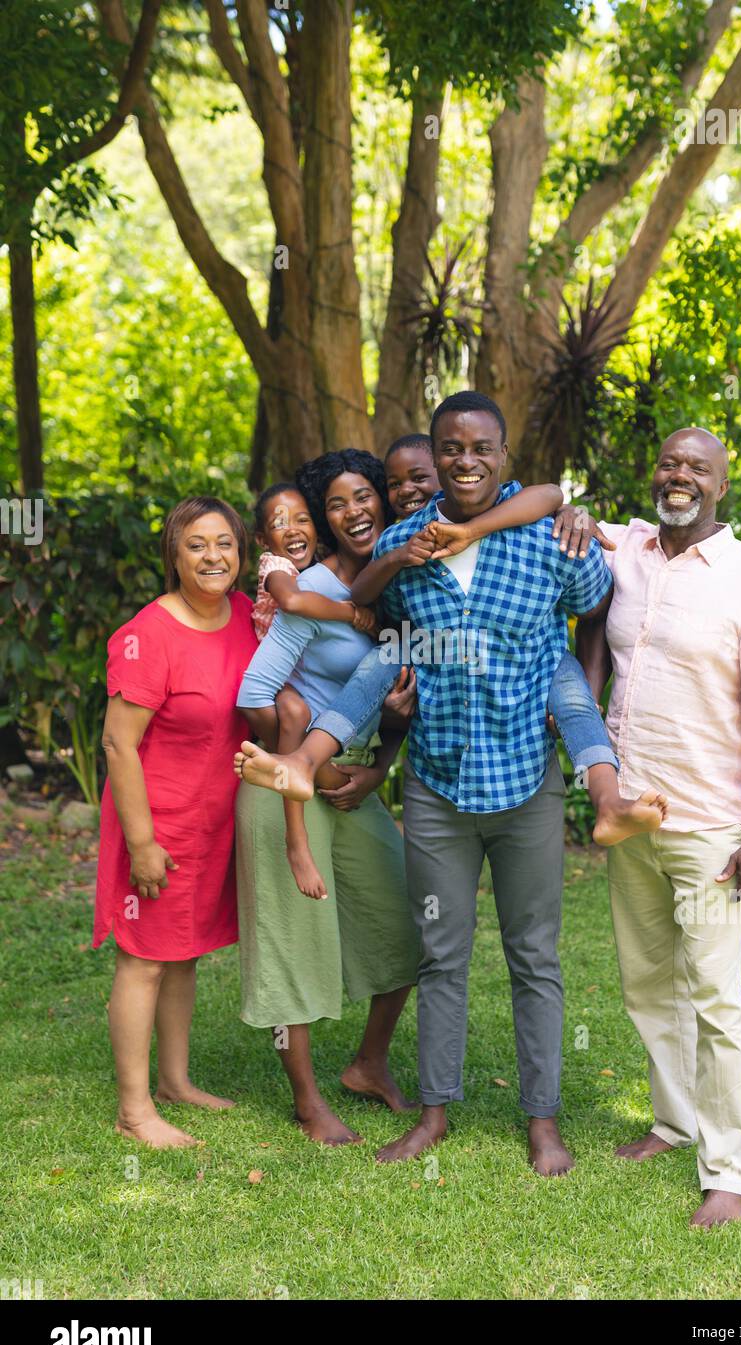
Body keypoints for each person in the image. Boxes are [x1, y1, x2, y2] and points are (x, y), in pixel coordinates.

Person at [238, 391, 646, 1175]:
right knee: (440, 955)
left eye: (480, 448)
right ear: (435, 453)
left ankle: (543, 1121)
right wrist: (311, 753)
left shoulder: (551, 540)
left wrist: (581, 696)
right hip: (437, 790)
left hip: (527, 785)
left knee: (534, 957)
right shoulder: (400, 547)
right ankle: (433, 1114)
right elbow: (384, 656)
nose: (465, 461)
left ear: (503, 456)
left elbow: (596, 613)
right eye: (450, 448)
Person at [576, 427, 741, 1226]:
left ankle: (730, 1170)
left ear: (721, 485)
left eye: (698, 468)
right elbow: (552, 515)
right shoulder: (630, 551)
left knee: (715, 996)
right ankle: (674, 1122)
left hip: (713, 823)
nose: (681, 476)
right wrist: (573, 514)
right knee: (648, 983)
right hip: (631, 814)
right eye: (671, 463)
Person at [233, 450, 420, 1147]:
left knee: (405, 921)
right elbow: (256, 692)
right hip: (288, 789)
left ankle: (369, 1065)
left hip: (351, 788)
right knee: (294, 945)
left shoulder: (395, 586)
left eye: (364, 496)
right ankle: (308, 1102)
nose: (355, 512)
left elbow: (390, 700)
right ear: (325, 519)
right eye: (337, 504)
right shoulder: (307, 590)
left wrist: (375, 760)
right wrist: (297, 750)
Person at [93, 497, 258, 1148]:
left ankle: (176, 1082)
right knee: (143, 961)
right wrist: (141, 842)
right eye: (196, 544)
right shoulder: (148, 636)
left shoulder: (246, 615)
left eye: (225, 543)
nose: (213, 556)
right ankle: (135, 1111)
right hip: (157, 822)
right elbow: (116, 745)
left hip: (213, 822)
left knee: (181, 957)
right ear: (173, 555)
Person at [239, 482, 378, 900]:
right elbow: (296, 604)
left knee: (298, 715)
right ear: (264, 539)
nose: (293, 529)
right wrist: (351, 613)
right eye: (280, 523)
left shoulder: (315, 568)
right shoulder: (276, 567)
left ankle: (301, 771)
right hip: (280, 687)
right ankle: (296, 843)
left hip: (292, 683)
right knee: (295, 714)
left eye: (303, 519)